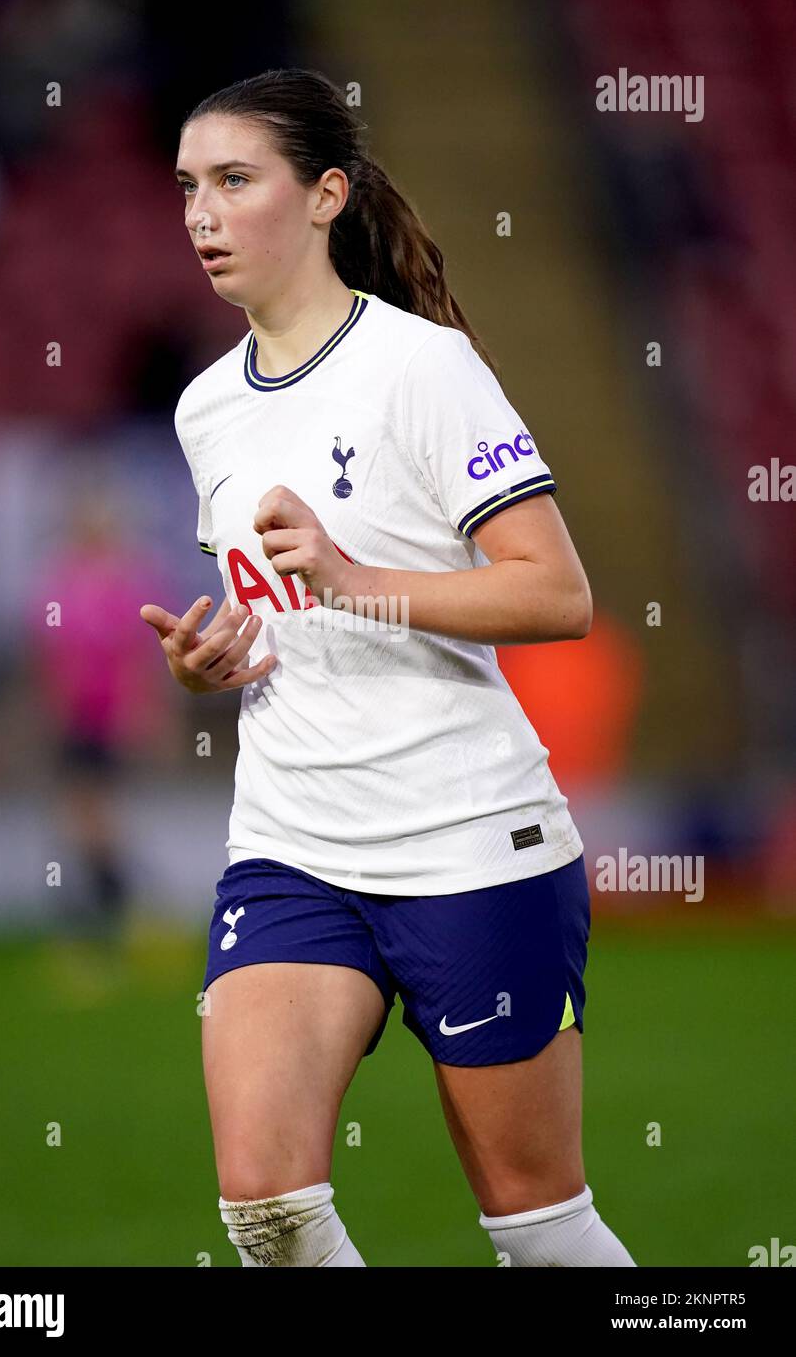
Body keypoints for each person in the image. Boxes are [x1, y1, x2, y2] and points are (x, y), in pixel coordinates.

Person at [140, 67, 636, 1268]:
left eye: (234, 181)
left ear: (324, 196)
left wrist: (356, 576)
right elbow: (282, 616)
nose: (202, 213)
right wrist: (215, 665)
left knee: (537, 1224)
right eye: (188, 188)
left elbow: (556, 592)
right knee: (266, 1205)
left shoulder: (421, 369)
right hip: (293, 834)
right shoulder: (206, 408)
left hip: (467, 835)